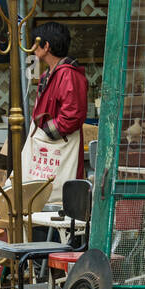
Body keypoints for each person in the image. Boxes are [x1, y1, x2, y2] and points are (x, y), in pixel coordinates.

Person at [30, 21, 89, 188]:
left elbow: (72, 116)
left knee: (59, 193)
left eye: (35, 43)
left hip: (59, 145)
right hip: (49, 148)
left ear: (46, 45)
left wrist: (45, 133)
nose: (32, 48)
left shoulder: (68, 75)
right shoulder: (49, 74)